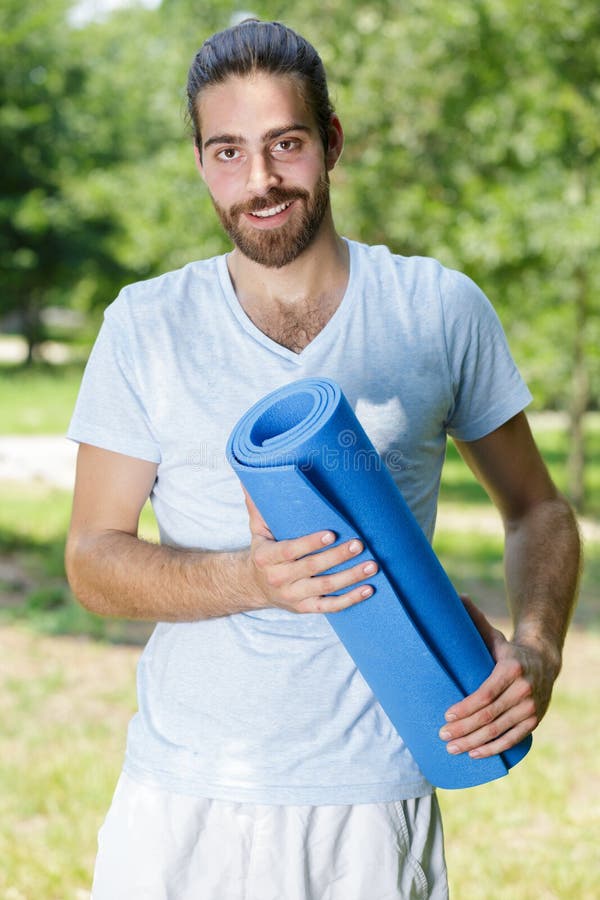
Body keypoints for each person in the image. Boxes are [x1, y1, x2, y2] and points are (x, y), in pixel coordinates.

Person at [65, 19, 581, 900]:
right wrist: (255, 579)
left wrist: (538, 645)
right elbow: (92, 560)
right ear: (199, 161)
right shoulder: (145, 326)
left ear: (331, 143)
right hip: (185, 799)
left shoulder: (437, 309)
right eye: (227, 151)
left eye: (285, 144)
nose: (258, 180)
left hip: (373, 802)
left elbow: (538, 507)